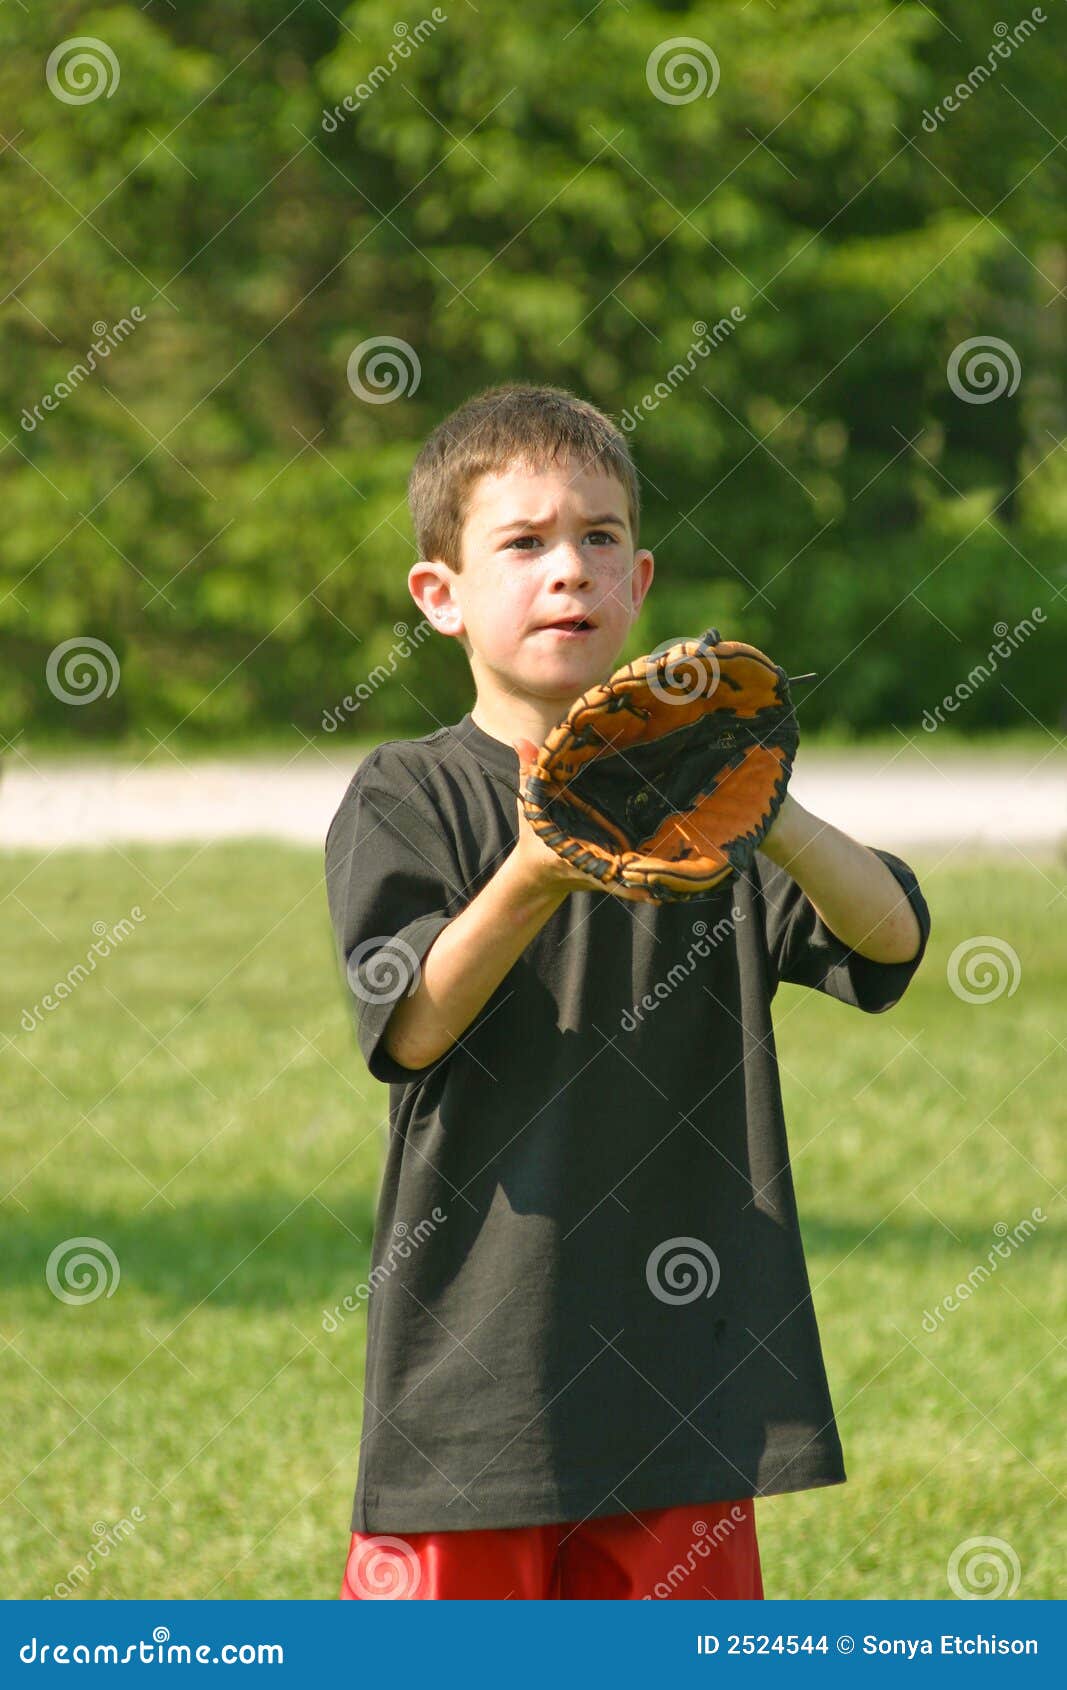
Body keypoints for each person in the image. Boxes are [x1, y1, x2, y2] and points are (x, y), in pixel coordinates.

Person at [324, 383, 931, 1600]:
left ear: (640, 582)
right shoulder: (407, 792)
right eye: (525, 542)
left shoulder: (698, 805)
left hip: (682, 1368)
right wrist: (538, 864)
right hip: (476, 1370)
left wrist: (770, 806)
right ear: (437, 596)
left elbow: (889, 941)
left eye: (600, 539)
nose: (570, 571)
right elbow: (412, 1022)